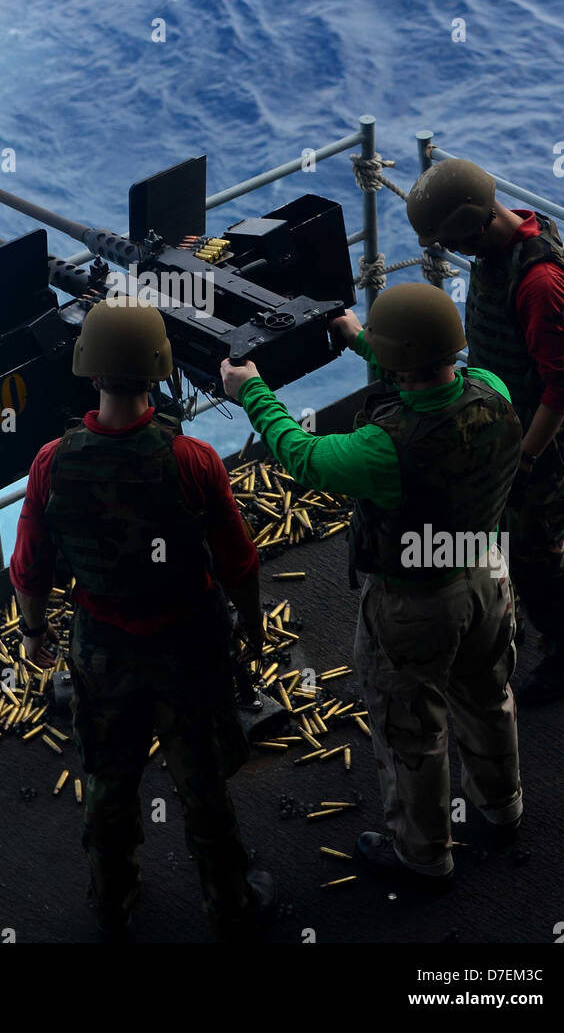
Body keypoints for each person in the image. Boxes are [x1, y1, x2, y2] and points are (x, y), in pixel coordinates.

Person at [221, 283, 522, 890]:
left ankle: (423, 856)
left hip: (416, 604)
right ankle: (502, 806)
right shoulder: (495, 391)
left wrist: (249, 390)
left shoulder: (384, 448)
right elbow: (432, 374)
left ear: (398, 359)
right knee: (488, 696)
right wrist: (360, 337)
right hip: (489, 575)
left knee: (412, 730)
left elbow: (300, 454)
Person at [10, 297, 274, 940]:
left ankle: (113, 900)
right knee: (202, 783)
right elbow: (238, 560)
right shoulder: (194, 460)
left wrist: (36, 633)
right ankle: (231, 904)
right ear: (159, 370)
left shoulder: (51, 462)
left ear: (89, 372)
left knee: (108, 781)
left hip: (102, 651)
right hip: (189, 645)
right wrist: (252, 625)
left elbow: (29, 567)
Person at [407, 157, 564, 703]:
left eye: (459, 243)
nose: (459, 253)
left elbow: (562, 386)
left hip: (538, 435)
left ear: (480, 225)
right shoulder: (505, 238)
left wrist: (528, 459)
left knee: (540, 548)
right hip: (506, 423)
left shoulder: (538, 282)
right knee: (505, 536)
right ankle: (511, 628)